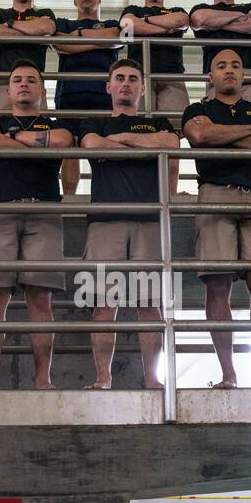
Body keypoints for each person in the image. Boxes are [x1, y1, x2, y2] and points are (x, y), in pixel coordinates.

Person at [182, 48, 251, 389]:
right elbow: (200, 137)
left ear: (244, 75)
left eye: (235, 65)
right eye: (221, 66)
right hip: (216, 193)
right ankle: (228, 374)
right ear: (210, 77)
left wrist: (229, 133)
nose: (229, 70)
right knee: (218, 284)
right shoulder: (198, 110)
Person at [0, 60, 75, 389]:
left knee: (40, 300)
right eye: (17, 80)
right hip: (0, 210)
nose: (24, 84)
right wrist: (32, 142)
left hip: (44, 212)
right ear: (8, 90)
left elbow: (60, 143)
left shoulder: (59, 126)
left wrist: (13, 139)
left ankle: (43, 381)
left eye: (31, 80)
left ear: (43, 91)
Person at [78, 59, 179, 389]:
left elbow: (170, 144)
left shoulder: (158, 122)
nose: (125, 83)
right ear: (108, 86)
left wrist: (117, 142)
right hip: (105, 221)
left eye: (132, 79)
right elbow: (91, 145)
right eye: (119, 78)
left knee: (150, 307)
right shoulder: (94, 123)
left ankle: (153, 378)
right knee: (104, 306)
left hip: (150, 221)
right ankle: (103, 378)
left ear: (142, 88)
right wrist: (140, 146)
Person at [53, 0, 122, 193]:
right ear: (74, 0)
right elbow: (60, 43)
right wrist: (98, 42)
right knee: (69, 145)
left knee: (101, 146)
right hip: (69, 94)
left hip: (102, 94)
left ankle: (105, 196)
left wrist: (80, 37)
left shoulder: (110, 23)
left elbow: (116, 37)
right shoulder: (65, 23)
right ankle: (70, 198)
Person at [118, 0, 190, 118]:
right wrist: (165, 29)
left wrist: (145, 21)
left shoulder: (176, 10)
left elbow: (181, 21)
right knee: (139, 125)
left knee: (174, 125)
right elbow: (127, 24)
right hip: (139, 74)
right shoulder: (133, 10)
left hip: (172, 74)